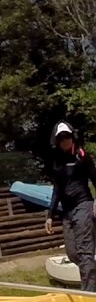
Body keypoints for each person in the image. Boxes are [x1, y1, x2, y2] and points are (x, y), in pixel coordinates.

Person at [44, 121, 96, 292]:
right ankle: (92, 276)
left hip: (84, 205)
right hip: (67, 211)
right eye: (61, 138)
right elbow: (57, 189)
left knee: (85, 251)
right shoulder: (58, 162)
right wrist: (50, 215)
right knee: (73, 253)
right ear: (57, 141)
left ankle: (88, 295)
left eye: (67, 136)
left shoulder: (82, 156)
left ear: (72, 137)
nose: (65, 140)